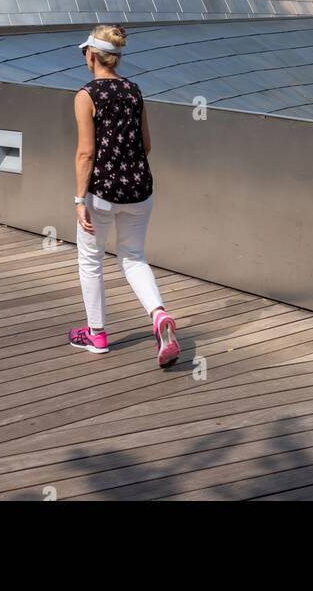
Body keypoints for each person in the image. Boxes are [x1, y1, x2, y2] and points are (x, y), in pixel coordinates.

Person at [68, 24, 180, 368]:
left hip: (102, 192)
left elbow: (86, 153)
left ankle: (97, 333)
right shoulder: (135, 91)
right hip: (139, 190)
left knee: (91, 260)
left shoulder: (86, 95)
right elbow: (146, 144)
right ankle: (158, 316)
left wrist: (78, 200)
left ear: (91, 55)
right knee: (133, 256)